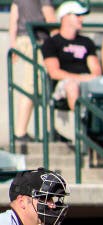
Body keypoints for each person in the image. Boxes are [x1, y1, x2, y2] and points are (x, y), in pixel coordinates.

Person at [9, 0, 56, 143]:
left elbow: (13, 19)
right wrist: (59, 42)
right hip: (35, 41)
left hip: (23, 40)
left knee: (36, 86)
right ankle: (21, 131)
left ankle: (47, 130)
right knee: (33, 86)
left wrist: (13, 45)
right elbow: (51, 20)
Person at [41, 1, 101, 110]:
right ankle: (81, 121)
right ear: (65, 17)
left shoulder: (87, 42)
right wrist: (80, 78)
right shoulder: (51, 42)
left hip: (86, 82)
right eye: (77, 15)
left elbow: (96, 70)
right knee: (72, 85)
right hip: (65, 84)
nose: (81, 19)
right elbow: (54, 72)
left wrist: (88, 78)